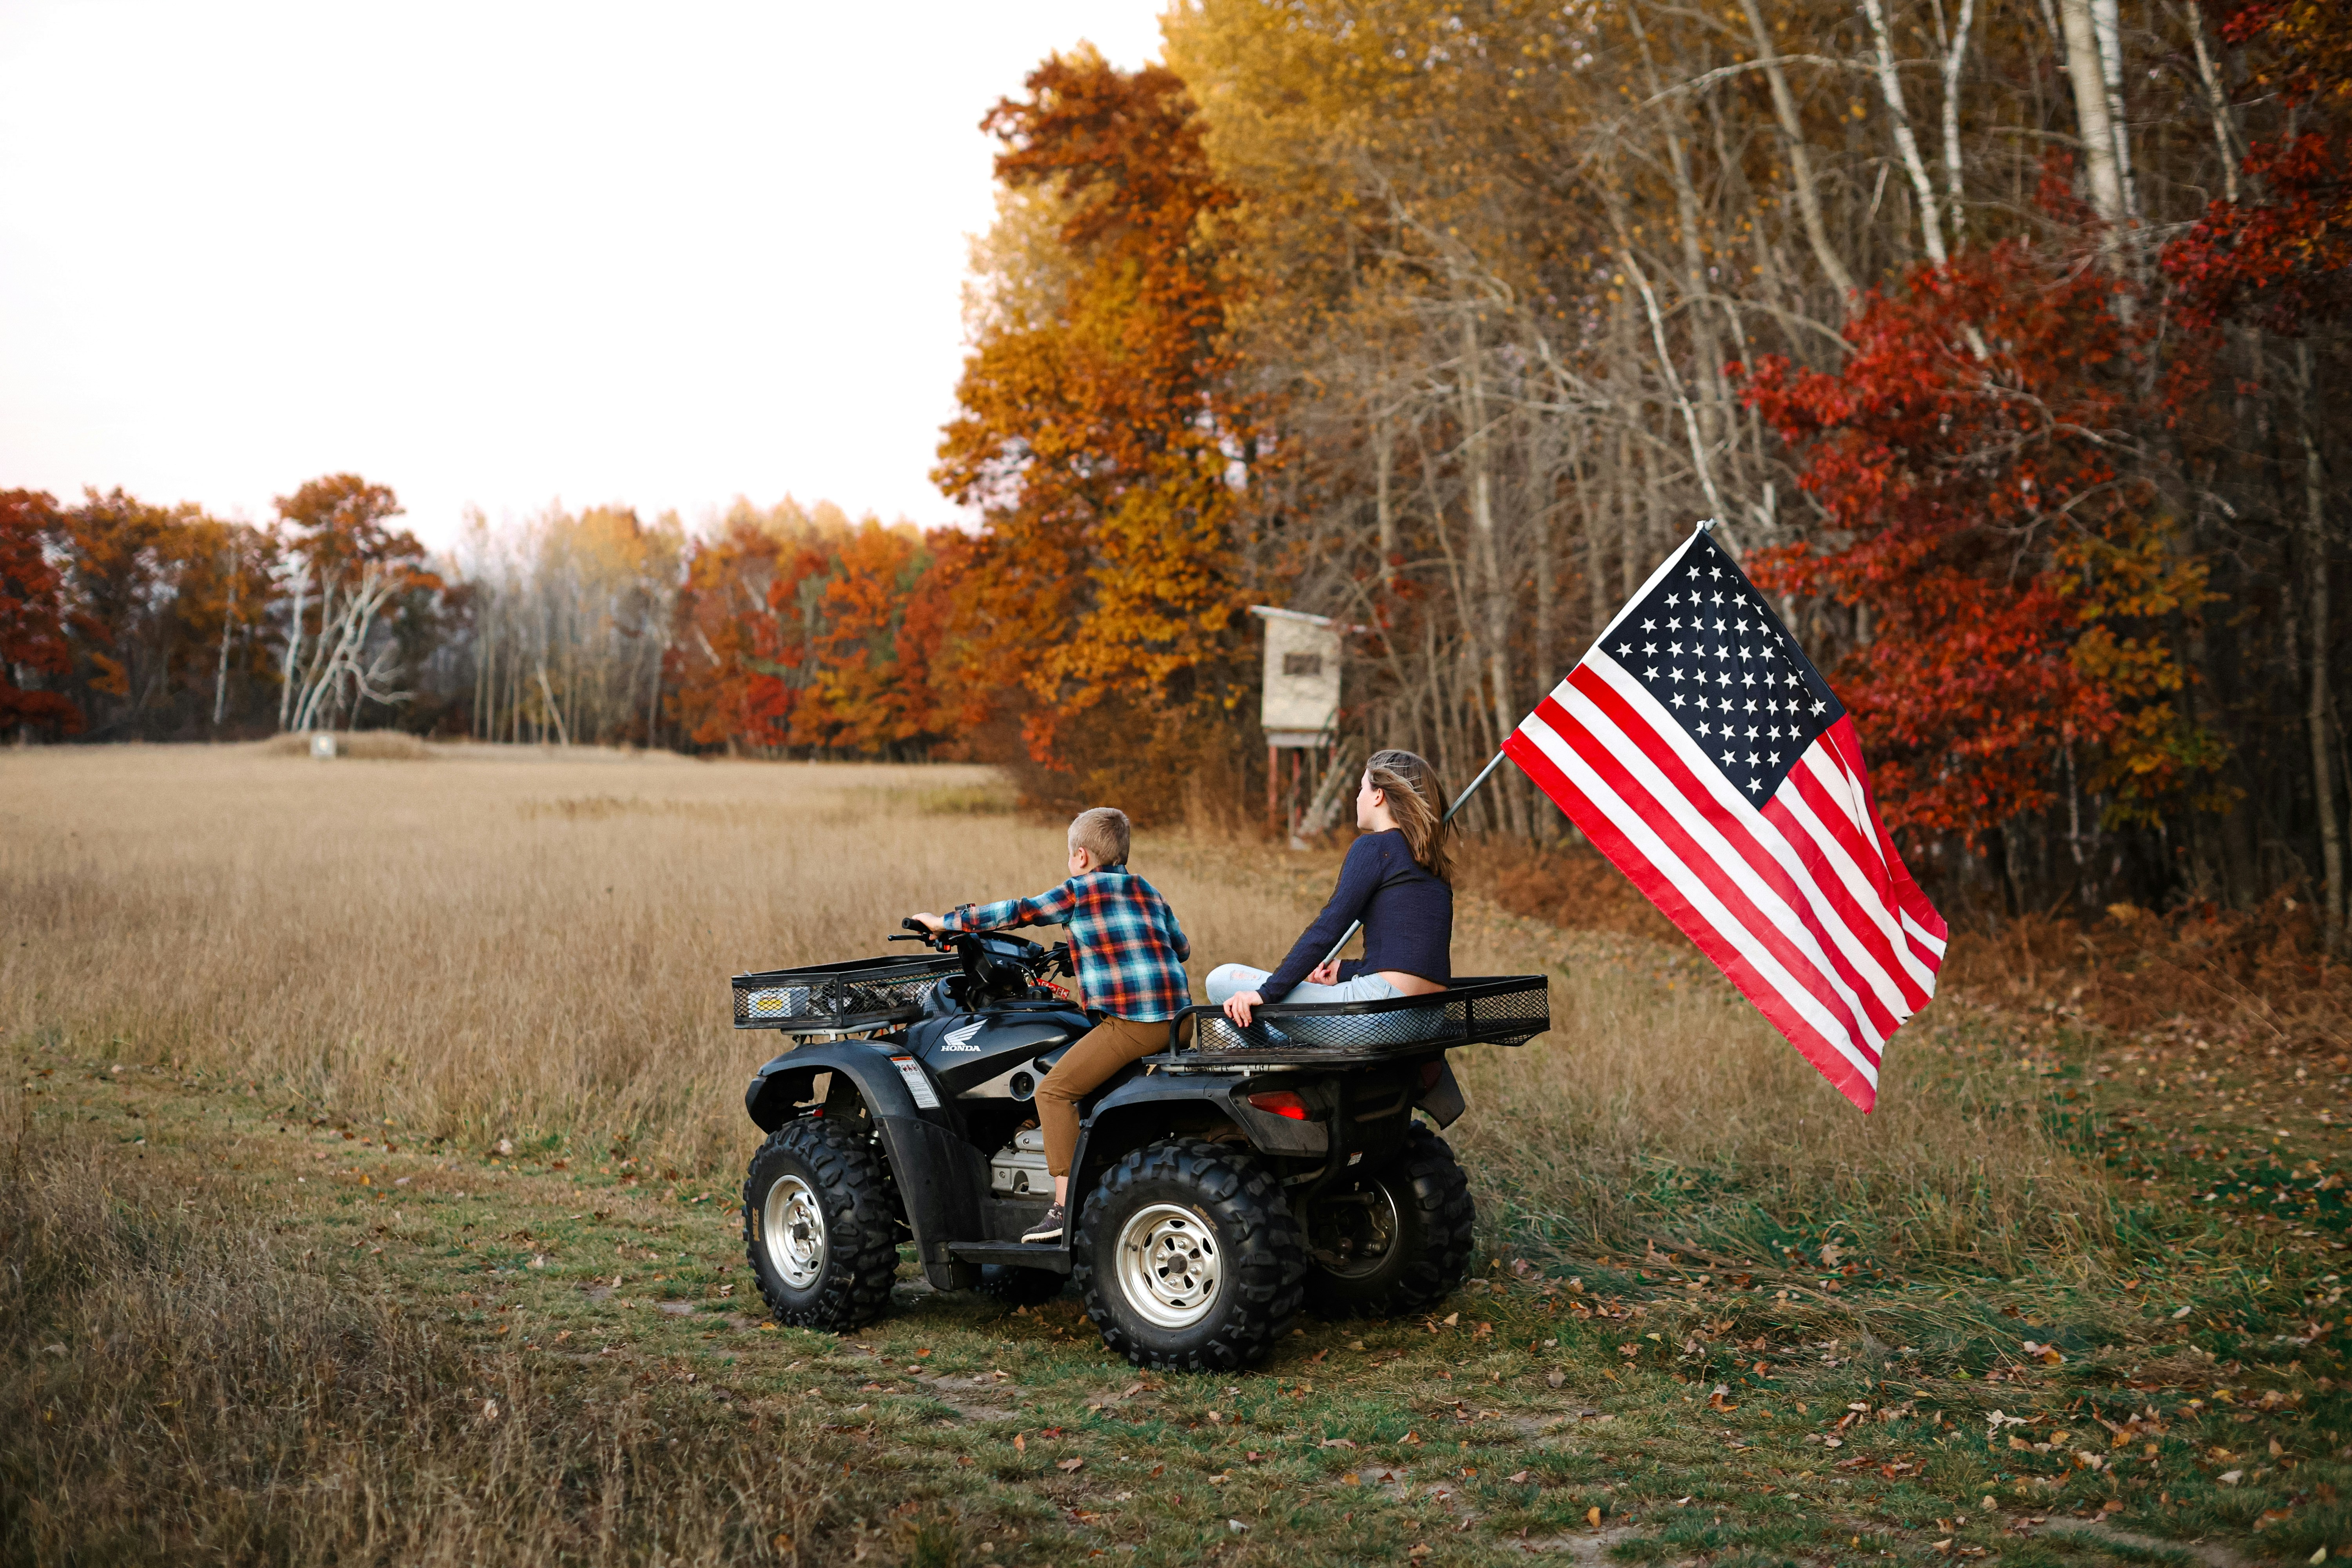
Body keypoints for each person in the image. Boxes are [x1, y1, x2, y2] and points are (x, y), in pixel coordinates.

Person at [912, 806, 1189, 1246]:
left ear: (1081, 857)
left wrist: (947, 922)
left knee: (1054, 1091)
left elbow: (1020, 912)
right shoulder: (1148, 892)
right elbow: (1182, 947)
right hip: (1178, 1021)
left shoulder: (1079, 891)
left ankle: (1062, 1208)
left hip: (1135, 1024)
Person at [1209, 749, 1453, 1031]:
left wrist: (1266, 994)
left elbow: (1328, 927)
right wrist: (1344, 971)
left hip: (1379, 1013)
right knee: (1230, 1026)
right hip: (1430, 1018)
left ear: (1378, 796)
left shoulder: (1374, 847)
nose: (1357, 797)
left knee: (1220, 979)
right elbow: (1408, 956)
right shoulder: (1433, 864)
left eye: (1362, 788)